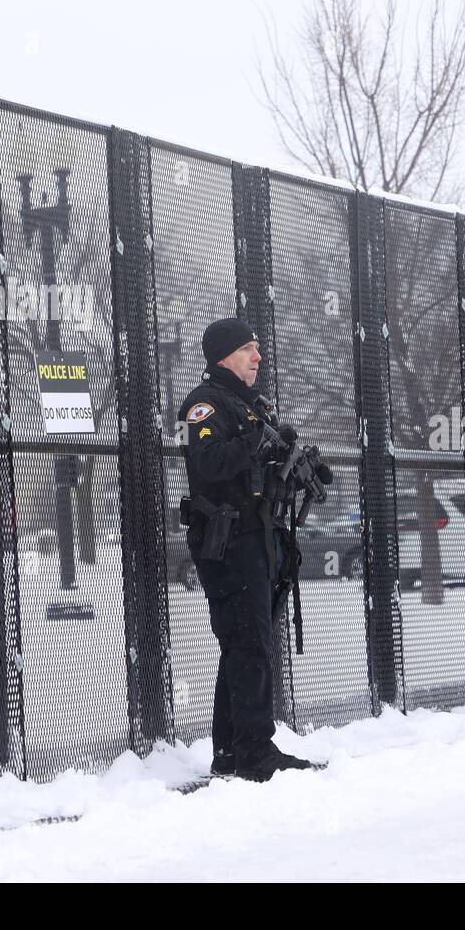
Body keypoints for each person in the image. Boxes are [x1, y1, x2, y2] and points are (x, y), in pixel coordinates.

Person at [179, 317, 317, 782]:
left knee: (243, 645)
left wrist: (301, 465)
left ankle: (232, 752)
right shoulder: (203, 406)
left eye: (258, 348)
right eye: (248, 349)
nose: (258, 357)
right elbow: (211, 463)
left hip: (260, 539)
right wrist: (253, 443)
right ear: (223, 356)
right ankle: (254, 752)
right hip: (228, 541)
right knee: (249, 645)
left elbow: (265, 463)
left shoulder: (252, 406)